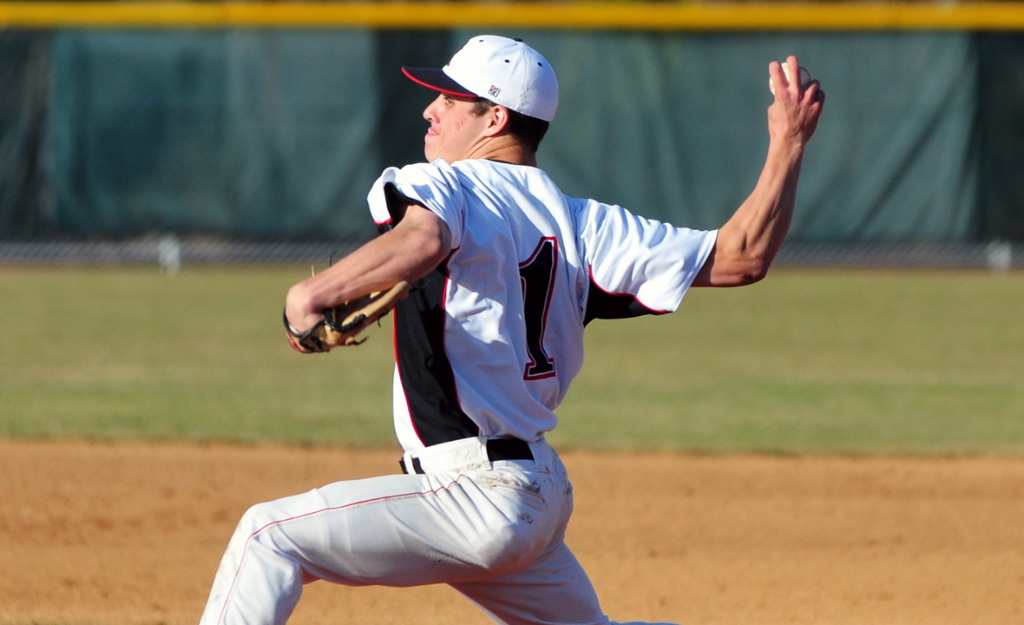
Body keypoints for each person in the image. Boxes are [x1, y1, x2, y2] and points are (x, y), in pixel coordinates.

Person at [198, 34, 824, 625]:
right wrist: (788, 145)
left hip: (471, 496)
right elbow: (742, 256)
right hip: (537, 493)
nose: (429, 112)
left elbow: (424, 237)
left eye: (448, 99)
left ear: (493, 119)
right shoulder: (586, 225)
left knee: (267, 536)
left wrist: (311, 292)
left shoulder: (447, 184)